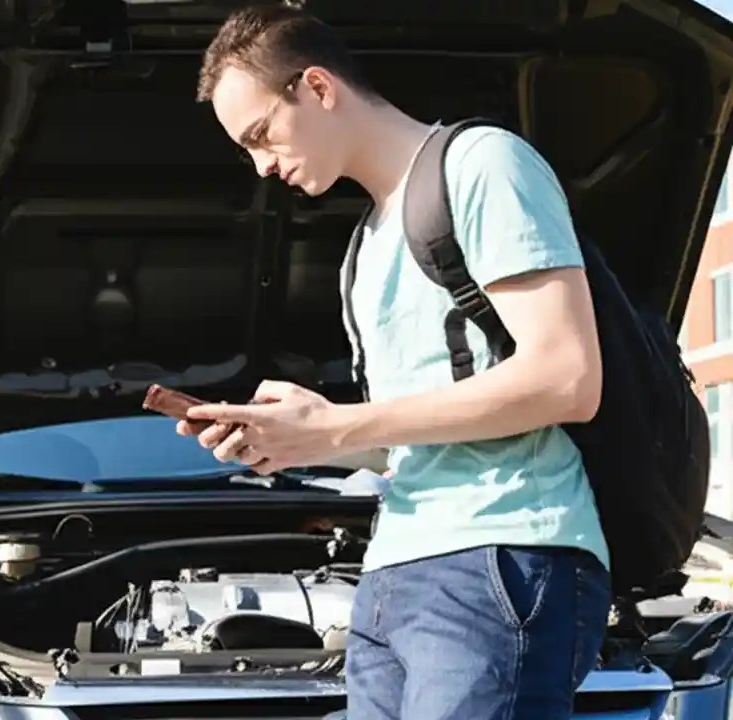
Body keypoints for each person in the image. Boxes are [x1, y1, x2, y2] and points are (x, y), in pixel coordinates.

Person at [181, 4, 613, 719]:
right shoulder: (366, 244)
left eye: (260, 135)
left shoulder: (482, 165)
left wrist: (339, 424)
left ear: (317, 88)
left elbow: (567, 377)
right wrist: (292, 439)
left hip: (498, 552)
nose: (260, 165)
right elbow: (412, 439)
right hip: (390, 578)